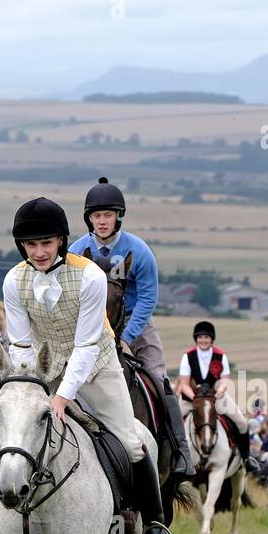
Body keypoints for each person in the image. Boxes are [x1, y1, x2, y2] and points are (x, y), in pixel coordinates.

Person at [0, 196, 176, 534]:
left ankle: (155, 526)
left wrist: (63, 397)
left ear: (62, 241)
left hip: (97, 367)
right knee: (0, 438)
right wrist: (26, 387)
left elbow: (84, 345)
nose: (39, 251)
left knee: (131, 442)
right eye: (31, 245)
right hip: (44, 369)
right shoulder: (14, 280)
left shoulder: (91, 277)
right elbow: (19, 344)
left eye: (46, 243)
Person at [70, 177, 194, 479]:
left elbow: (149, 298)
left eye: (107, 215)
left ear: (118, 217)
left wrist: (126, 337)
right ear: (89, 218)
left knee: (158, 378)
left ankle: (180, 450)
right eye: (96, 216)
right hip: (91, 325)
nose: (101, 221)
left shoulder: (139, 250)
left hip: (134, 322)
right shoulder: (76, 251)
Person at [175, 320, 258, 472]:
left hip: (216, 397)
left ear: (212, 339)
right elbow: (184, 383)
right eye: (200, 337)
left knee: (242, 422)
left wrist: (217, 394)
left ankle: (246, 458)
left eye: (206, 337)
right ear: (196, 339)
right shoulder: (188, 356)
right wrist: (195, 398)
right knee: (172, 422)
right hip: (191, 399)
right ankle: (173, 458)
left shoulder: (221, 356)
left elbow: (225, 381)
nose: (203, 340)